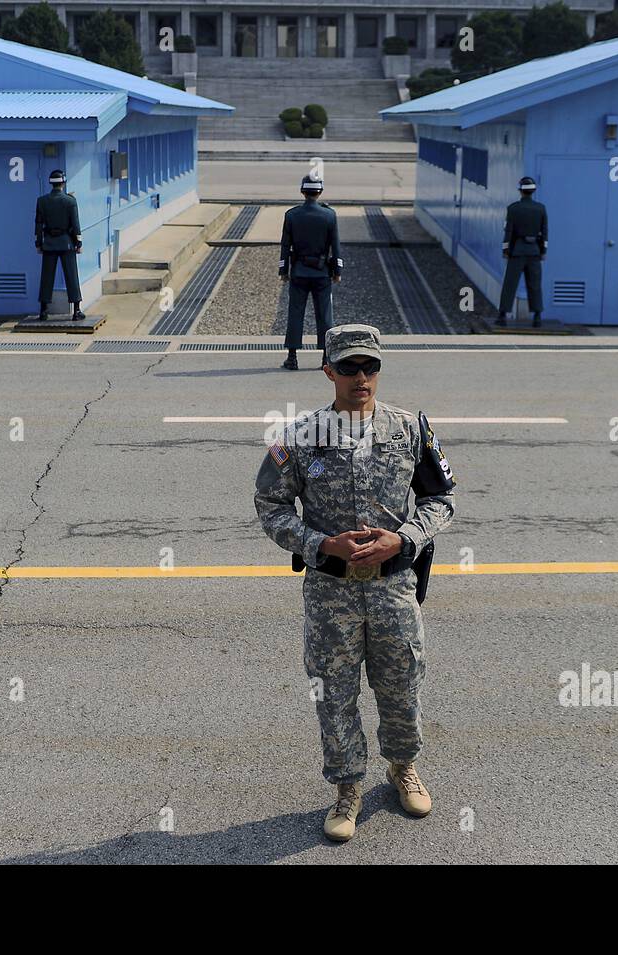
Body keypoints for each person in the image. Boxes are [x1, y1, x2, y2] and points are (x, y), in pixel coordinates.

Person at [253, 323, 457, 842]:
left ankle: (402, 767)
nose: (361, 377)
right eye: (348, 367)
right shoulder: (298, 437)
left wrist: (403, 540)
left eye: (369, 366)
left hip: (393, 588)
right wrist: (320, 544)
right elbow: (270, 505)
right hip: (331, 592)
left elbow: (441, 500)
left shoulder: (410, 429)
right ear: (328, 371)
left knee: (401, 684)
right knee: (334, 693)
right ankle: (347, 788)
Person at [278, 174, 342, 370]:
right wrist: (337, 270)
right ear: (320, 191)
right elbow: (335, 246)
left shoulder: (292, 215)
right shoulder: (329, 215)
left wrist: (284, 269)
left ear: (302, 191)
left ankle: (292, 357)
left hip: (299, 271)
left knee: (295, 312)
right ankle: (325, 358)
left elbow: (285, 245)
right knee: (324, 314)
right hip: (322, 273)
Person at [35, 169, 85, 322]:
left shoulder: (42, 201)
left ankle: (43, 311)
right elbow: (75, 224)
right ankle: (76, 311)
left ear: (51, 183)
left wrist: (38, 243)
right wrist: (78, 242)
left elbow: (38, 224)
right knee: (71, 276)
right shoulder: (70, 201)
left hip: (49, 242)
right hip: (66, 243)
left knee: (46, 277)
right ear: (63, 183)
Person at [497, 176, 548, 328]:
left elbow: (508, 232)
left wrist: (506, 250)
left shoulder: (513, 209)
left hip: (517, 251)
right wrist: (543, 250)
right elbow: (544, 232)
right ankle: (537, 316)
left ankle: (503, 315)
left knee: (510, 284)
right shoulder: (541, 208)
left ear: (520, 191)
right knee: (534, 284)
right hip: (534, 252)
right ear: (533, 191)